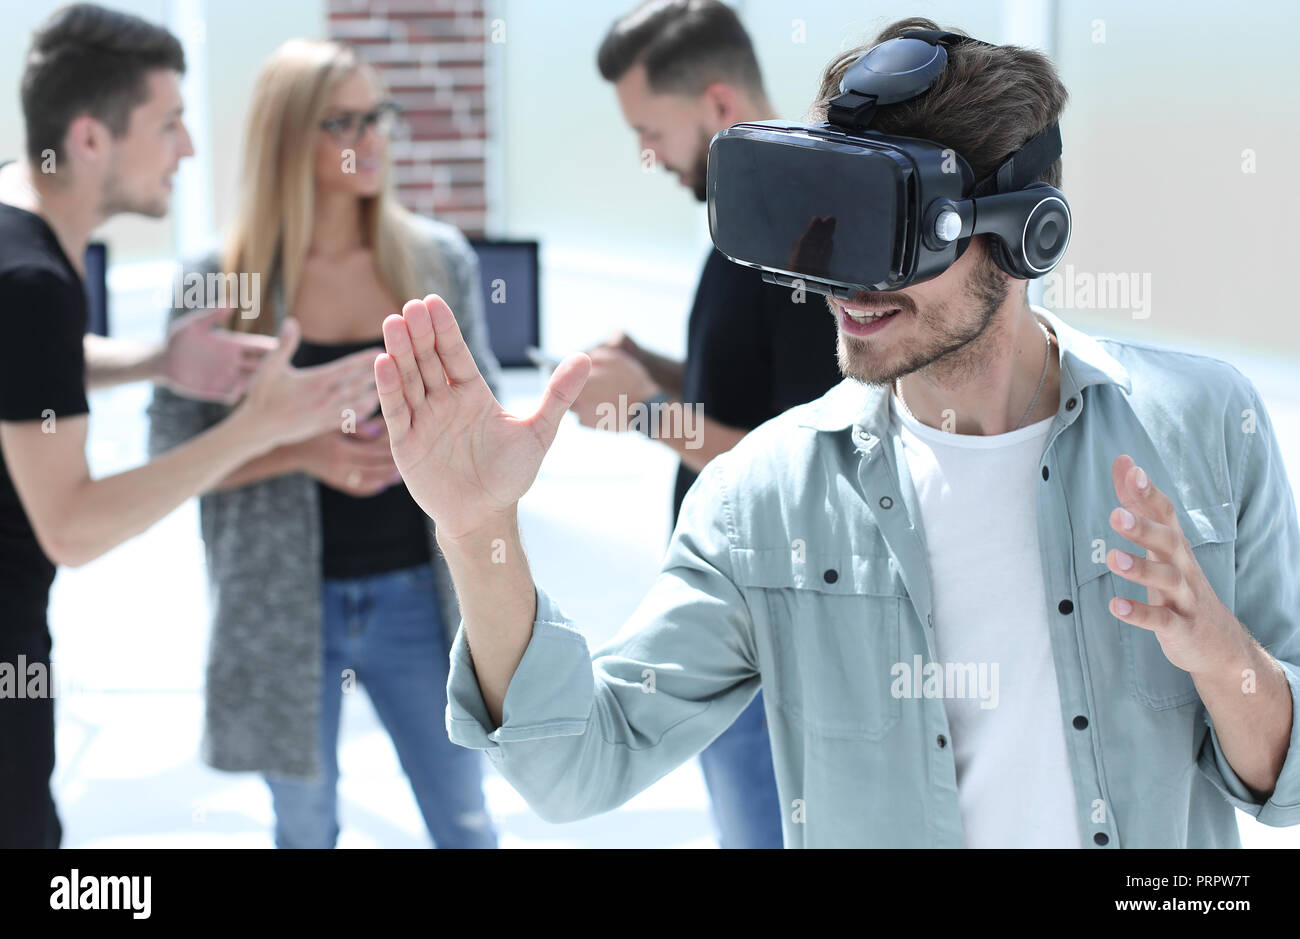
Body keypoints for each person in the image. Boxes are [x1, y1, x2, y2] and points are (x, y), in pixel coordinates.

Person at [372, 17, 1300, 847]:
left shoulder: (1208, 428)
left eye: (889, 236)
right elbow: (581, 763)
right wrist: (478, 531)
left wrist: (1224, 655)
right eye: (827, 226)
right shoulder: (761, 499)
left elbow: (1286, 789)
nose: (845, 288)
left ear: (1027, 235)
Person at [0, 3, 379, 849]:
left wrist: (154, 362)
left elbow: (29, 367)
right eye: (169, 124)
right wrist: (258, 428)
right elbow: (71, 525)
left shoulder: (13, 221)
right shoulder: (29, 280)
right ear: (92, 138)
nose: (189, 148)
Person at [147, 39, 502, 849]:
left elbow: (486, 422)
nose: (370, 137)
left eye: (377, 114)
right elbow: (169, 455)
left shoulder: (435, 260)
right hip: (281, 601)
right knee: (304, 827)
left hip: (421, 593)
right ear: (287, 140)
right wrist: (303, 452)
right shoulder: (219, 278)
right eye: (342, 120)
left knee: (465, 817)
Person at [565, 0, 843, 849]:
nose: (646, 155)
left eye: (651, 130)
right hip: (734, 609)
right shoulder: (745, 218)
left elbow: (807, 456)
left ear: (719, 105)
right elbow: (751, 390)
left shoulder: (806, 233)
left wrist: (642, 410)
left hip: (772, 628)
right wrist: (656, 366)